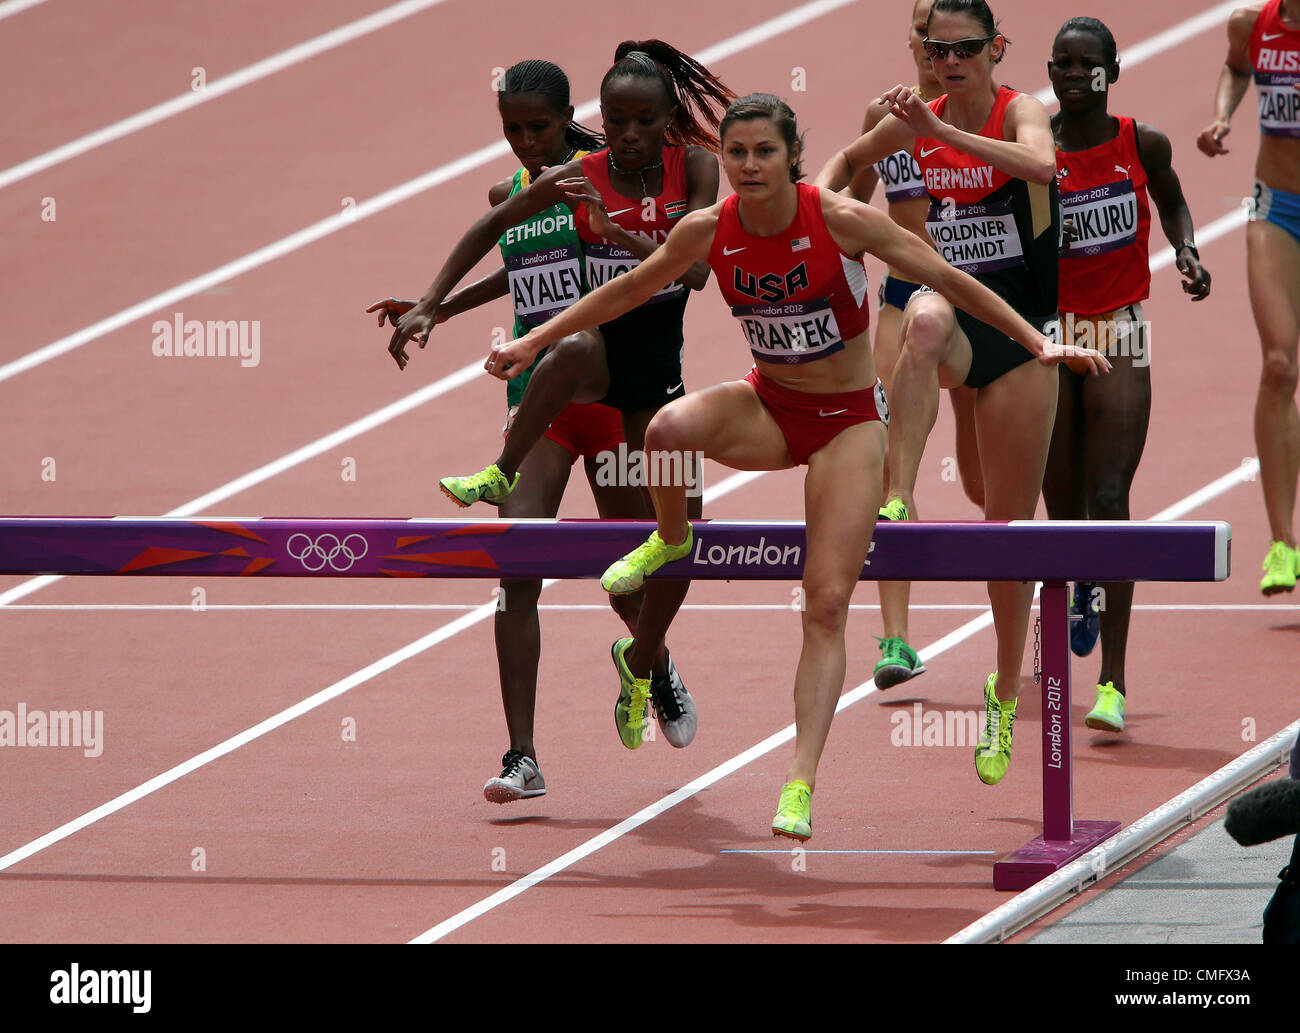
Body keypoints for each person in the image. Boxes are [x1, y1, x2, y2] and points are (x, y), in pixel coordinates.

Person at [483, 93, 1103, 841]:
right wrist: (531, 342)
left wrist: (1037, 343)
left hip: (846, 426)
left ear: (791, 158)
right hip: (771, 407)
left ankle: (799, 782)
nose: (746, 166)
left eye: (763, 152)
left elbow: (949, 275)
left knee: (825, 601)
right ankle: (672, 538)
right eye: (736, 152)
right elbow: (627, 289)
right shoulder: (709, 229)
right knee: (671, 427)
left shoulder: (838, 219)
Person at [386, 40, 732, 752]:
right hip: (546, 397)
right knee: (518, 567)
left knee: (633, 577)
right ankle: (522, 756)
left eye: (537, 128)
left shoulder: (608, 173)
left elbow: (687, 272)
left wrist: (611, 231)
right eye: (512, 130)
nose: (524, 142)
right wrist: (434, 306)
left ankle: (650, 661)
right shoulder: (532, 187)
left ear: (569, 119)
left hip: (622, 394)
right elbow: (519, 262)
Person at [816, 0, 1111, 786]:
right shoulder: (912, 116)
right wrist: (808, 215)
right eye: (938, 50)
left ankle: (1004, 692)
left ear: (996, 48)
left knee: (1003, 533)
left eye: (967, 49)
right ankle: (901, 498)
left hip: (1021, 338)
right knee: (920, 319)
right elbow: (839, 172)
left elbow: (1044, 168)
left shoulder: (1023, 113)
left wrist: (940, 134)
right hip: (953, 319)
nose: (951, 63)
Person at [1043, 18, 1211, 734]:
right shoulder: (1032, 149)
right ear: (1050, 73)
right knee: (1060, 510)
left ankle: (1111, 680)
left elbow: (1171, 197)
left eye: (1089, 64)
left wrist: (1186, 250)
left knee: (1110, 494)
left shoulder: (1143, 141)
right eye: (1064, 64)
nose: (1076, 75)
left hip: (1119, 324)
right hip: (1050, 334)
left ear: (1113, 70)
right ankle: (1083, 582)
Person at [845, 0, 984, 690]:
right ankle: (896, 639)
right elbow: (847, 194)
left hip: (978, 300)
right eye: (925, 33)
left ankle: (1067, 571)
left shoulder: (985, 114)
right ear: (912, 40)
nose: (938, 49)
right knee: (883, 465)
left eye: (949, 38)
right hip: (905, 303)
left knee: (986, 483)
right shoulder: (884, 117)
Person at [1197, 0, 1300, 595]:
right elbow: (1237, 67)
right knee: (1279, 365)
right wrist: (1222, 116)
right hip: (1277, 208)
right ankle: (1283, 543)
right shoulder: (1251, 24)